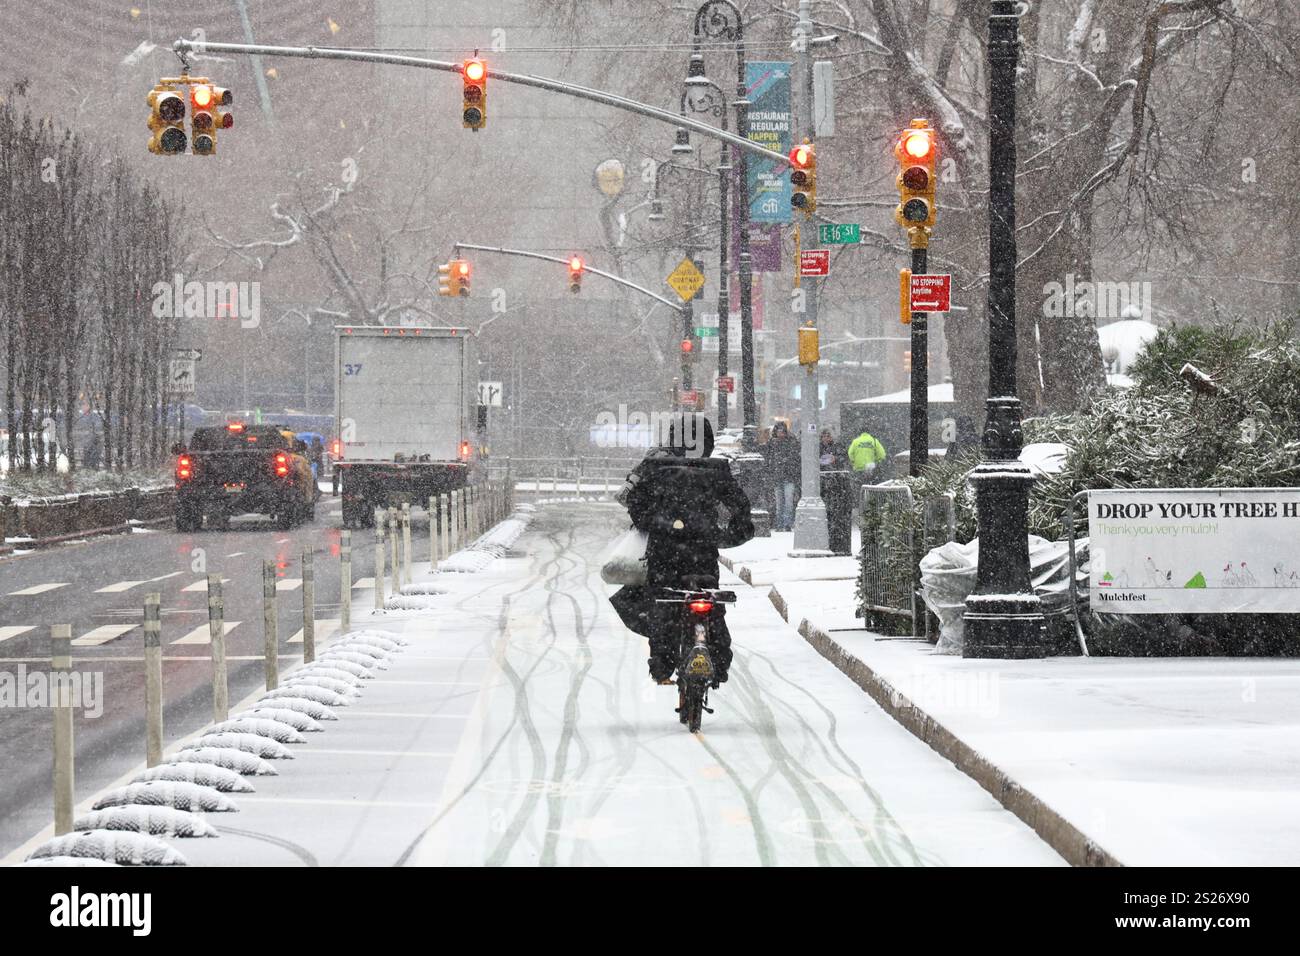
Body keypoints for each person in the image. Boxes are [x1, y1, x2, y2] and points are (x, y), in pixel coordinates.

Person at [613, 413, 754, 686]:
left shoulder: (656, 467)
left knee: (662, 606)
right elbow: (740, 506)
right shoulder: (716, 470)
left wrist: (654, 524)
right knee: (712, 605)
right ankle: (719, 662)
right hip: (702, 551)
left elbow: (634, 501)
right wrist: (733, 533)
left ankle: (662, 668)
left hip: (665, 552)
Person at [764, 419, 800, 531]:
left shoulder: (791, 442)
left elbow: (795, 459)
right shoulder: (772, 443)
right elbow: (768, 460)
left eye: (782, 431)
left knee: (787, 502)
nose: (781, 434)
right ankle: (781, 524)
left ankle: (786, 524)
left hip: (788, 477)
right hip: (779, 477)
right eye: (779, 431)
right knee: (780, 503)